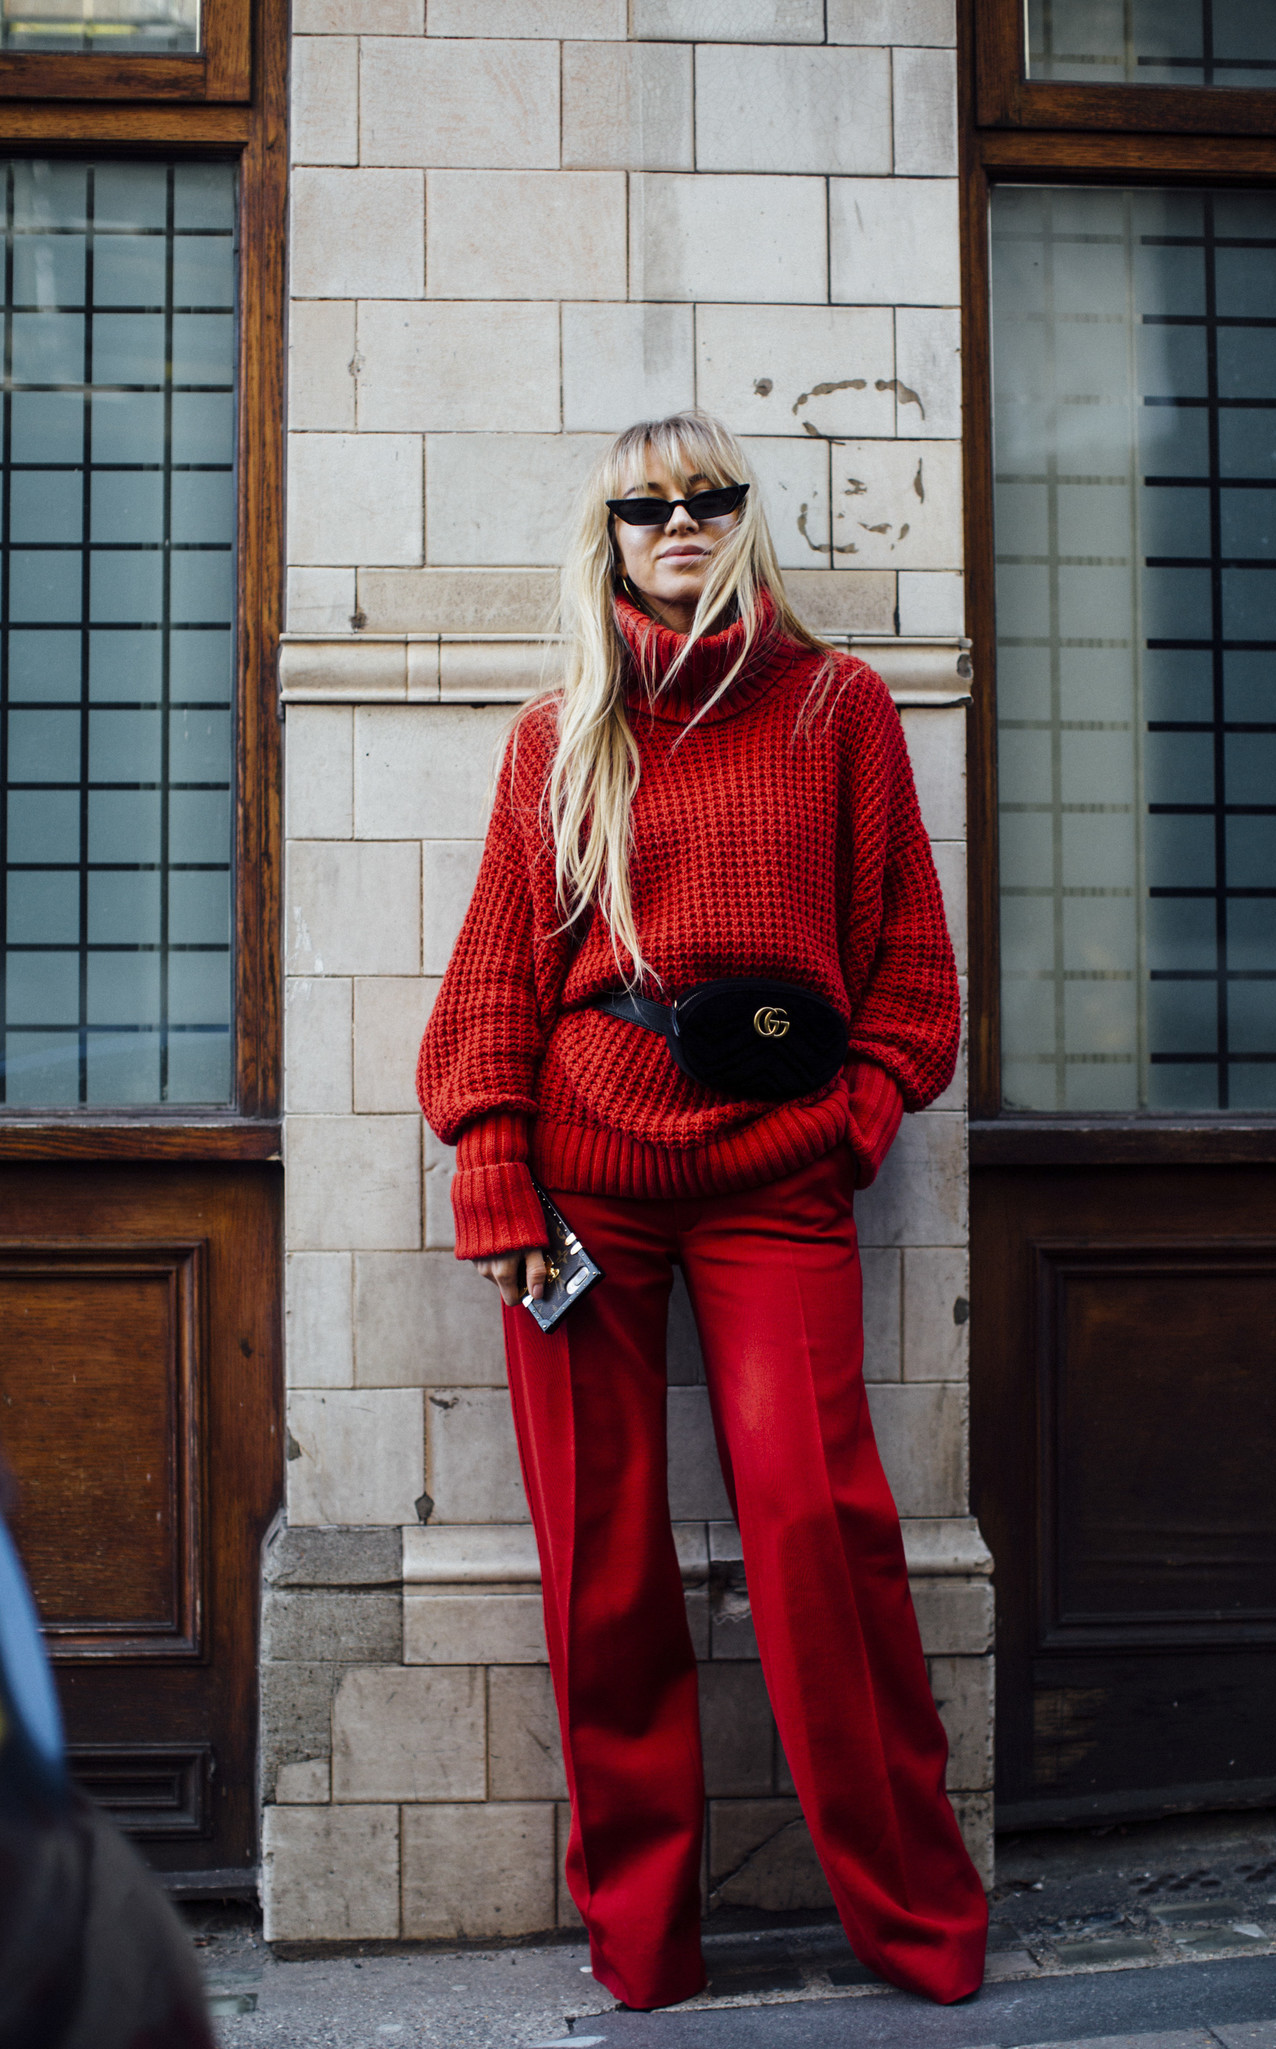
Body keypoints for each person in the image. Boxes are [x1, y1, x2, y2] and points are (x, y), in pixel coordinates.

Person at [417, 411, 987, 2012]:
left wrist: (852, 1118)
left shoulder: (836, 708)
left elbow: (912, 970)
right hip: (581, 1189)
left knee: (820, 1538)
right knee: (600, 1567)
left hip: (774, 1184)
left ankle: (919, 1920)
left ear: (744, 518)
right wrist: (493, 1161)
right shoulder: (561, 735)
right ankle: (641, 1941)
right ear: (606, 536)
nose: (680, 522)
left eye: (709, 497)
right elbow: (493, 978)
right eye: (645, 505)